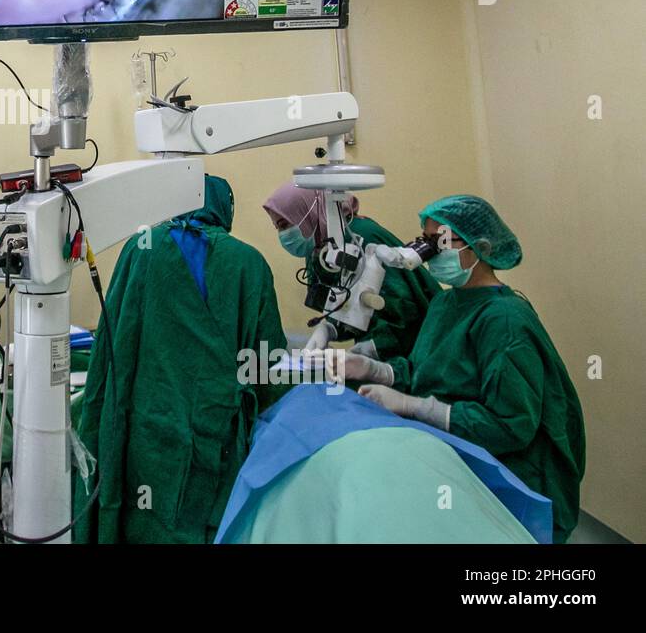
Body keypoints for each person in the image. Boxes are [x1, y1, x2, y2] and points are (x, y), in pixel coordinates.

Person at [337, 195, 586, 543]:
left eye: (437, 243)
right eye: (423, 241)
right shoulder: (445, 302)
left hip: (513, 480)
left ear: (478, 247)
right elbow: (424, 369)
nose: (426, 253)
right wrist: (373, 369)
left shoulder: (506, 320)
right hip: (459, 459)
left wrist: (413, 406)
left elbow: (510, 426)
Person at [74, 175, 287, 543]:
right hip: (214, 437)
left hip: (146, 434)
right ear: (225, 207)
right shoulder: (249, 264)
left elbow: (111, 345)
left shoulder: (142, 248)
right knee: (203, 522)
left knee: (141, 518)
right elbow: (270, 369)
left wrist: (98, 415)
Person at [262, 182, 439, 358]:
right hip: (381, 348)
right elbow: (344, 302)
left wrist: (374, 347)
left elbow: (403, 310)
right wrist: (330, 328)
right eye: (278, 227)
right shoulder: (320, 248)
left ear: (308, 212)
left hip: (421, 346)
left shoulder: (362, 237)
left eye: (285, 224)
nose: (283, 235)